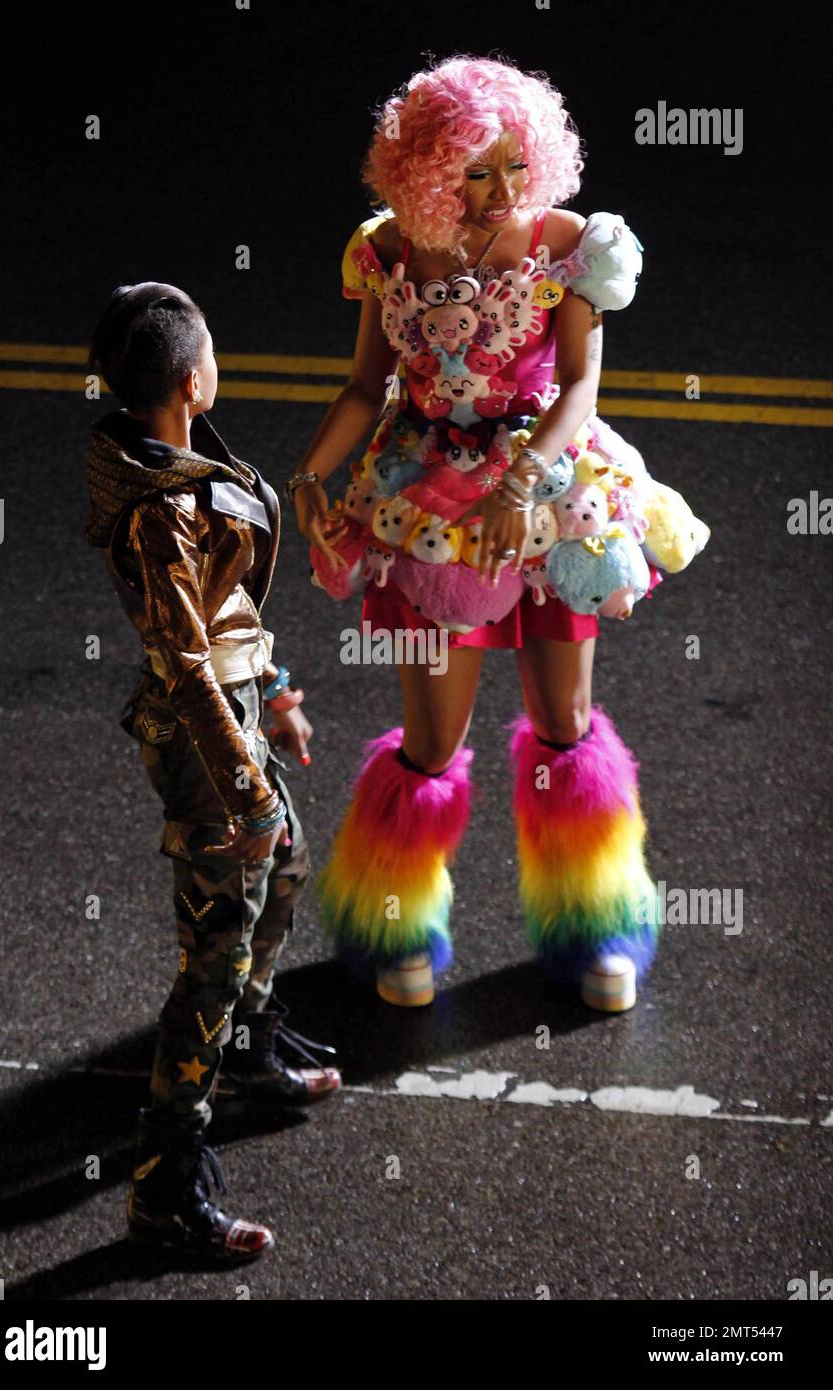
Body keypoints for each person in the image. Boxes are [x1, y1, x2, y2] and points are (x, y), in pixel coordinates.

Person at [290, 56, 707, 1014]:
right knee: (433, 741)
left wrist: (521, 483)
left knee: (565, 721)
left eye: (518, 166)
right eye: (476, 171)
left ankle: (593, 922)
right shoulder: (386, 251)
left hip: (547, 482)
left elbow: (578, 389)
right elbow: (366, 387)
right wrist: (309, 477)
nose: (503, 191)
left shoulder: (571, 244)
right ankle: (394, 920)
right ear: (428, 174)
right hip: (424, 490)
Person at [85, 283, 340, 1263]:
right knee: (214, 951)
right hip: (199, 742)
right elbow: (187, 661)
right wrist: (240, 784)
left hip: (229, 718)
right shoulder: (158, 508)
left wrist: (273, 689)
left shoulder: (185, 462)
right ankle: (164, 1188)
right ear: (191, 380)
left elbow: (225, 609)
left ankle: (249, 1049)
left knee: (285, 868)